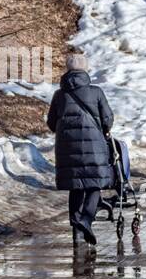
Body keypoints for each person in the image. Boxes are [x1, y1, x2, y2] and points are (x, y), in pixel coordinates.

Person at [46, 50, 114, 248]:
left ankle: (76, 231)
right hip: (94, 148)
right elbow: (107, 119)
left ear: (67, 70)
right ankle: (86, 219)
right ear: (85, 70)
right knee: (94, 185)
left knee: (76, 187)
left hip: (67, 148)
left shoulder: (59, 95)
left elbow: (51, 123)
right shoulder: (96, 92)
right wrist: (102, 129)